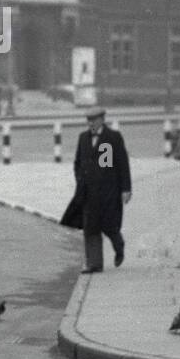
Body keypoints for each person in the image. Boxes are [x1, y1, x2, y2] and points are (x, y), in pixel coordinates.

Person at [60, 107, 132, 273]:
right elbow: (77, 162)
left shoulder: (113, 137)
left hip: (109, 191)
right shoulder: (83, 138)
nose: (90, 123)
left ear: (102, 119)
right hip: (88, 191)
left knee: (109, 225)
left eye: (93, 120)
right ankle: (94, 263)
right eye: (88, 120)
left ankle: (118, 244)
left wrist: (126, 188)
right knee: (90, 227)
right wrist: (79, 178)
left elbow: (122, 164)